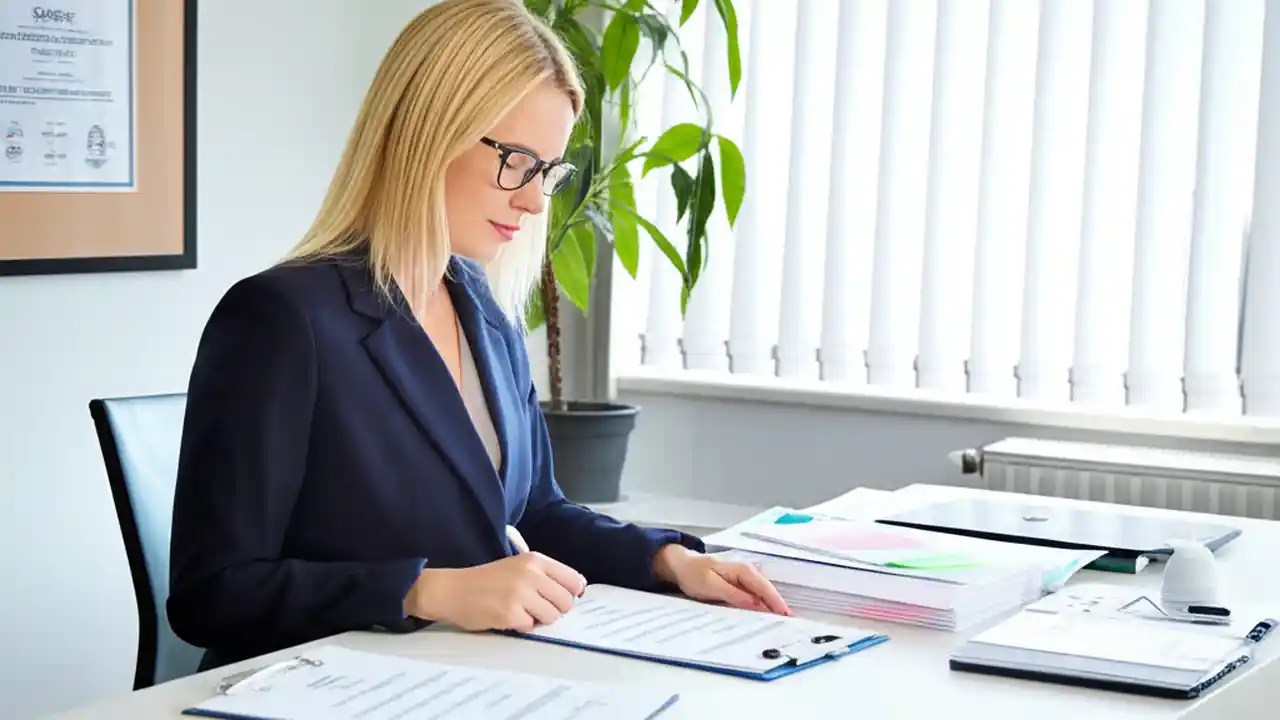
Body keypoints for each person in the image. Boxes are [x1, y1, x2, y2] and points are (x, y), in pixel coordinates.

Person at [167, 0, 789, 671]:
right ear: (428, 132)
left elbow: (536, 512)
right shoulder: (280, 319)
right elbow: (212, 593)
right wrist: (426, 590)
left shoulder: (483, 312)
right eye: (517, 160)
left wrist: (666, 559)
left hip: (462, 679)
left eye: (547, 171)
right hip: (315, 690)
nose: (534, 200)